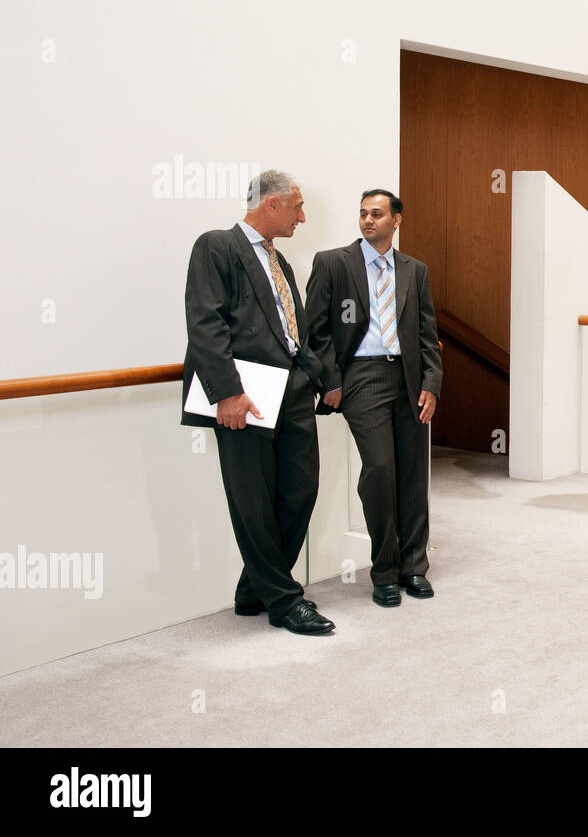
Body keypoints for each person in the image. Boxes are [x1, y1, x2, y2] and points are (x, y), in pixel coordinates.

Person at [181, 170, 335, 635]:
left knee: (300, 490)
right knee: (252, 497)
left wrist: (321, 377)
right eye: (298, 207)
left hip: (290, 392)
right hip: (244, 394)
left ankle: (256, 589)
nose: (303, 217)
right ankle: (285, 601)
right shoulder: (216, 246)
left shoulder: (280, 262)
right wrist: (226, 392)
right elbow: (205, 322)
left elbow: (293, 331)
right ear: (272, 204)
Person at [305, 189, 443, 608]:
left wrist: (432, 383)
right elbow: (317, 331)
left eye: (377, 214)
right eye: (363, 213)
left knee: (414, 474)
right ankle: (383, 570)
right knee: (380, 469)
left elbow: (427, 332)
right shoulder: (333, 263)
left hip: (409, 376)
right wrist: (330, 381)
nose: (368, 220)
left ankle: (413, 567)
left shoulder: (414, 270)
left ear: (396, 220)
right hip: (362, 377)